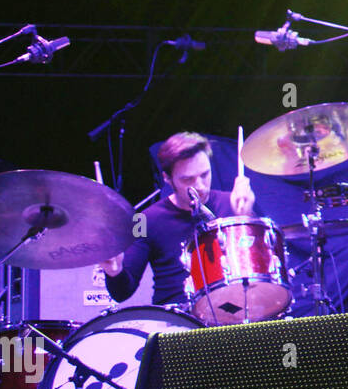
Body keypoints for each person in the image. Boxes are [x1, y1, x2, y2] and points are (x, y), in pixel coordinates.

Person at [101, 131, 255, 306]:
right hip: (175, 320)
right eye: (188, 179)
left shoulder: (233, 203)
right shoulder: (142, 220)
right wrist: (114, 270)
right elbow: (122, 293)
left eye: (205, 175)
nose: (200, 186)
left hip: (232, 311)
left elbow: (260, 273)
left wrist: (247, 219)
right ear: (167, 178)